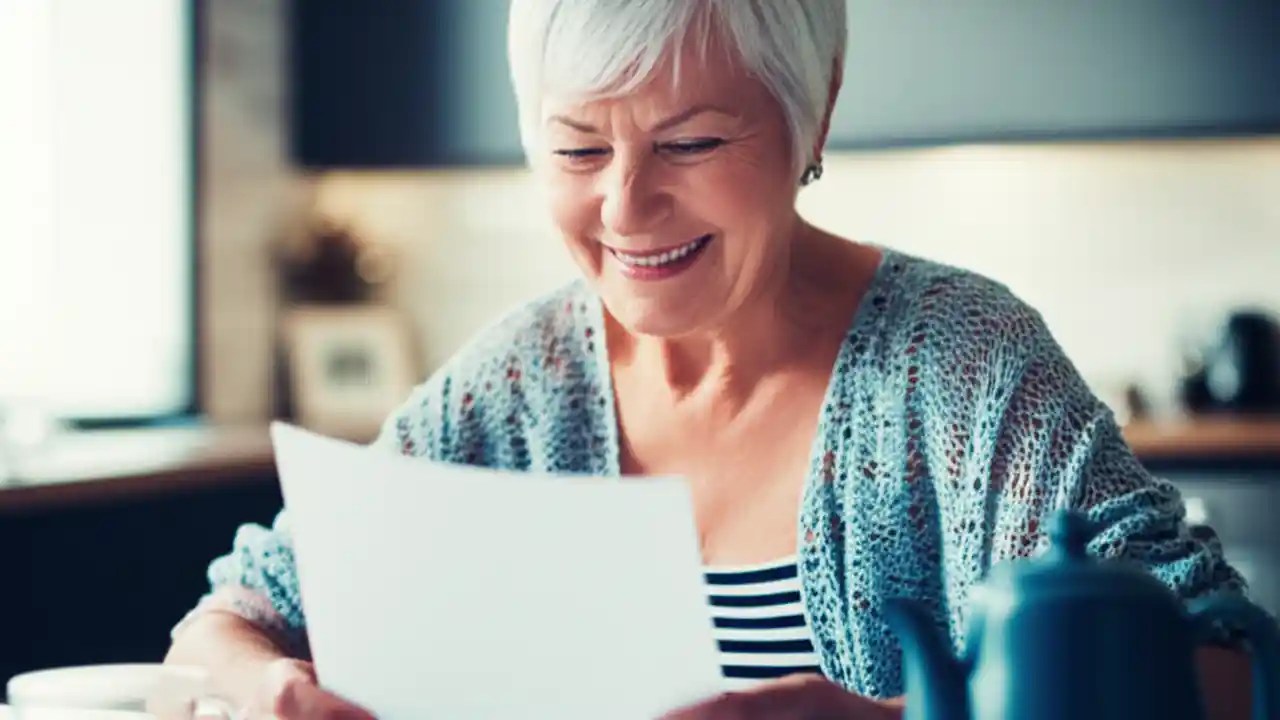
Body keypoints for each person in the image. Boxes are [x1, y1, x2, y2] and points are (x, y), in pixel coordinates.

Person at [165, 1, 1256, 718]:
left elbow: (1229, 670)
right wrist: (268, 691)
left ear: (808, 115)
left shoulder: (965, 370)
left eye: (689, 141)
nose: (626, 205)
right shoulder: (506, 392)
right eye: (576, 147)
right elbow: (219, 626)